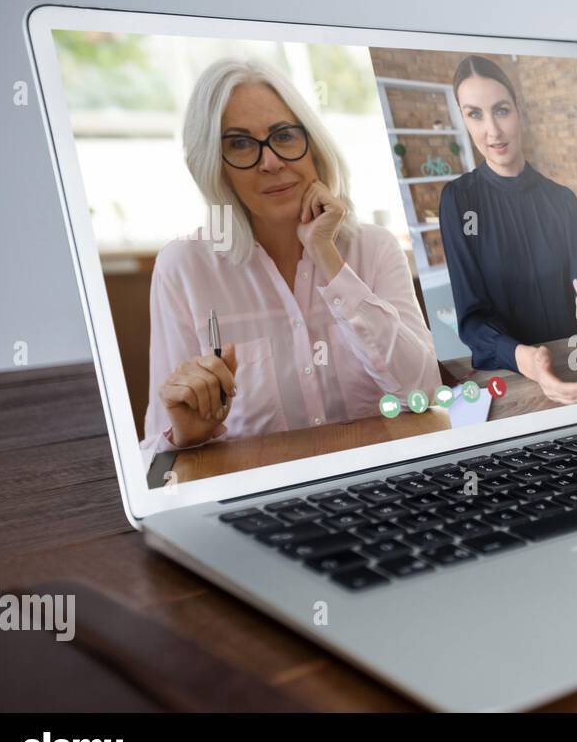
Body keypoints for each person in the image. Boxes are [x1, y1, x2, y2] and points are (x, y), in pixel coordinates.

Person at [141, 58, 440, 459]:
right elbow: (155, 452)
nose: (270, 161)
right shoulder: (183, 267)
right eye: (241, 144)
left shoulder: (375, 248)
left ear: (313, 145)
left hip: (386, 483)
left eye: (283, 135)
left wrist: (328, 257)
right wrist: (187, 436)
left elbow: (426, 394)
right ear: (216, 164)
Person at [439, 55, 577, 405]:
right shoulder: (458, 201)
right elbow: (472, 318)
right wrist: (525, 358)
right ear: (462, 117)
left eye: (501, 110)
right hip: (509, 379)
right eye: (475, 114)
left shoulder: (561, 200)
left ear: (518, 110)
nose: (493, 131)